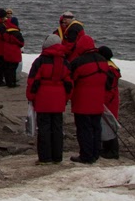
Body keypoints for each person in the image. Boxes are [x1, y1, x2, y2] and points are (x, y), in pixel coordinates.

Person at [63, 20, 112, 164]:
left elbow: (71, 80)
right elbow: (107, 81)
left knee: (84, 130)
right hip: (97, 101)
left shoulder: (78, 62)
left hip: (82, 102)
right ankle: (96, 153)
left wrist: (67, 97)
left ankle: (86, 155)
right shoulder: (103, 61)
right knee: (96, 128)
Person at [26, 33, 73, 163]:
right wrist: (66, 99)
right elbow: (69, 84)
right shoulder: (65, 62)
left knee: (44, 129)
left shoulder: (40, 61)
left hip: (43, 99)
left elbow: (32, 82)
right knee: (57, 128)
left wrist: (31, 97)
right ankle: (57, 157)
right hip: (58, 99)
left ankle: (45, 158)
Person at [98, 45, 123, 159]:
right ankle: (108, 149)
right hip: (113, 99)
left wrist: (102, 102)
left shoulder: (108, 69)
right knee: (109, 124)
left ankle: (112, 151)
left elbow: (108, 89)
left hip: (109, 101)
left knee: (109, 124)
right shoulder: (113, 66)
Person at [0, 9, 25, 87]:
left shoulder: (6, 31)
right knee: (13, 68)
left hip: (7, 51)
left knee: (8, 68)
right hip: (14, 52)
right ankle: (12, 83)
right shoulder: (17, 33)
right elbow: (22, 43)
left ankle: (9, 82)